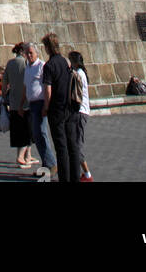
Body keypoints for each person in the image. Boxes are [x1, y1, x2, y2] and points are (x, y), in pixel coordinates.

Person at [41, 32, 80, 184]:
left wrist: (46, 107)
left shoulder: (49, 66)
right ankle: (75, 177)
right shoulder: (65, 62)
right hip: (70, 107)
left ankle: (65, 178)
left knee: (61, 147)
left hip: (56, 110)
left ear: (47, 48)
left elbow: (48, 90)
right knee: (72, 145)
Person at [24, 41, 56, 177]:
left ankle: (52, 164)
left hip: (40, 103)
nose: (29, 55)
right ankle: (46, 164)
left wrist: (46, 106)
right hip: (32, 104)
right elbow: (26, 87)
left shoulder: (42, 66)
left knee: (41, 133)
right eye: (27, 53)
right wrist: (21, 105)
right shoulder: (27, 68)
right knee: (36, 135)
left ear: (37, 53)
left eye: (31, 53)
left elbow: (47, 86)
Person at [3, 42, 32, 167]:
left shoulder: (10, 64)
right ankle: (20, 156)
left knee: (18, 130)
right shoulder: (26, 64)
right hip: (26, 102)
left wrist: (4, 97)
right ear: (22, 52)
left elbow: (4, 83)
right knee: (28, 131)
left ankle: (28, 156)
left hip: (13, 102)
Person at [68, 50, 92, 182]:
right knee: (76, 143)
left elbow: (76, 96)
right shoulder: (81, 74)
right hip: (83, 111)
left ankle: (87, 175)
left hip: (80, 112)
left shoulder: (78, 75)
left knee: (77, 145)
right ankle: (78, 173)